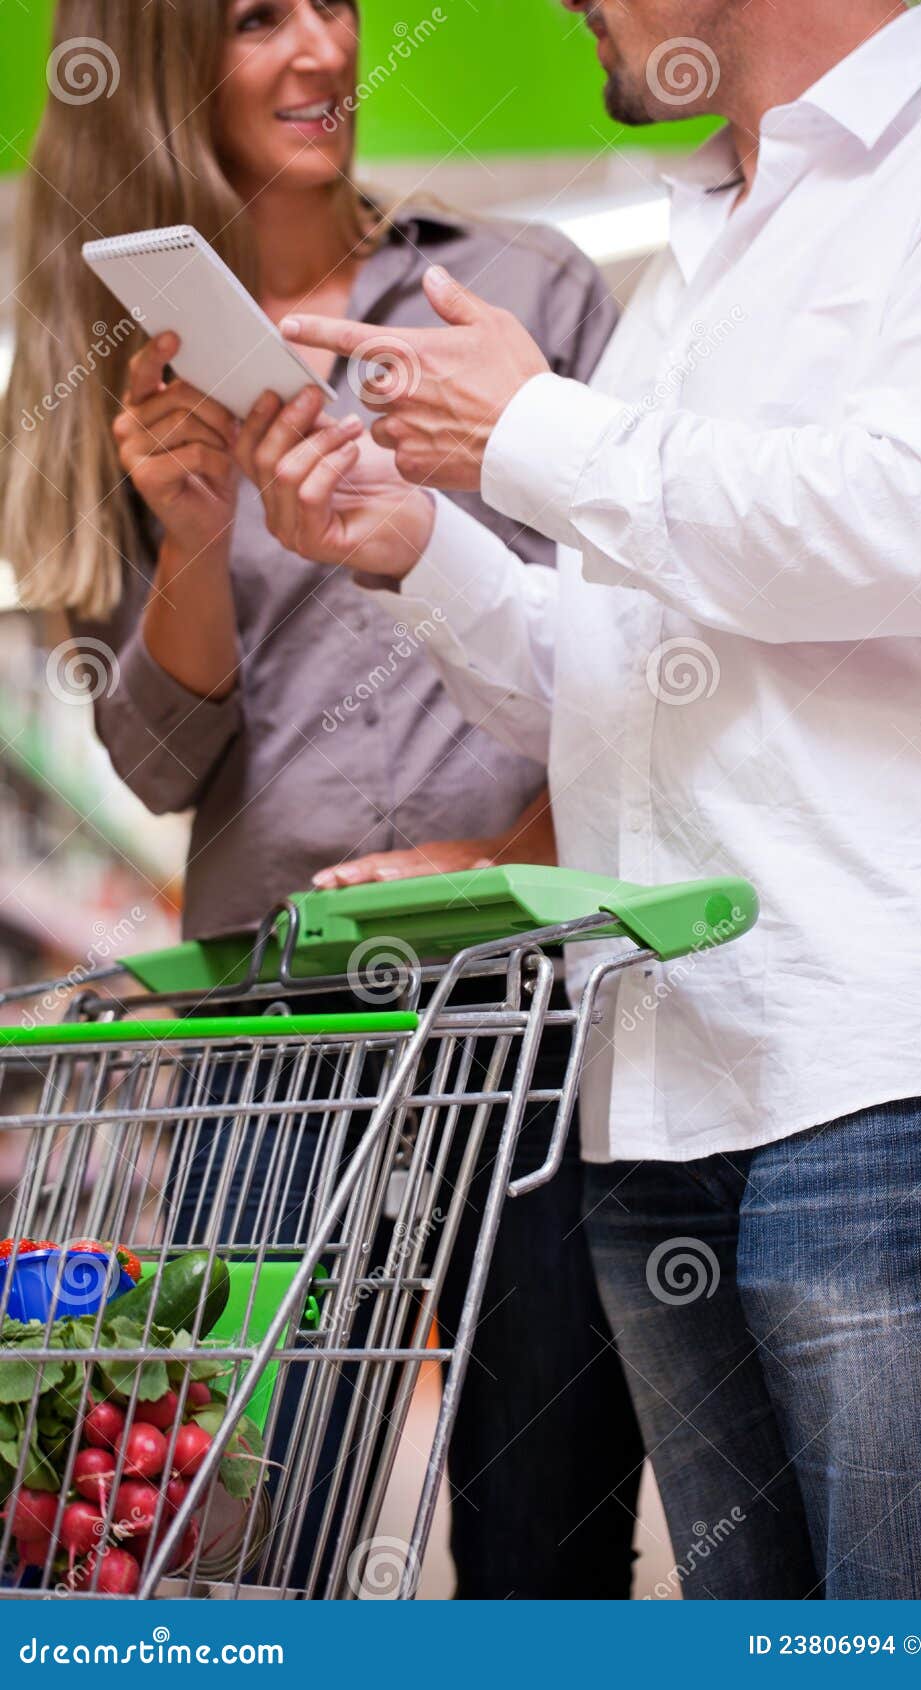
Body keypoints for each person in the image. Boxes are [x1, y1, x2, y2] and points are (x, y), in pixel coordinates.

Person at [251, 0, 921, 1599]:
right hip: (658, 1092)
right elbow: (617, 681)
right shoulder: (698, 249)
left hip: (895, 1077)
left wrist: (536, 424)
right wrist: (415, 545)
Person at [0, 0, 643, 1598]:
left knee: (543, 1533)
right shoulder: (109, 367)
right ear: (161, 65)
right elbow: (153, 767)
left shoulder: (515, 292)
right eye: (255, 20)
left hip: (536, 996)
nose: (324, 52)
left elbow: (651, 658)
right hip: (274, 1028)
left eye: (335, 5)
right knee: (254, 1529)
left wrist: (502, 863)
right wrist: (196, 538)